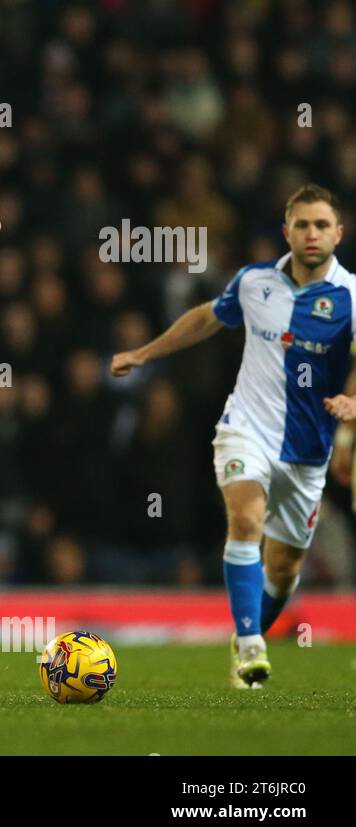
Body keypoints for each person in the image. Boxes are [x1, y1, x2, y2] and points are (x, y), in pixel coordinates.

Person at [111, 184, 353, 689]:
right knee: (245, 517)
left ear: (338, 233)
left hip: (307, 451)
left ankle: (248, 631)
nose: (312, 234)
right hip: (247, 427)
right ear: (287, 232)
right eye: (303, 225)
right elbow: (206, 318)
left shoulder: (350, 297)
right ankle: (250, 645)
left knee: (283, 570)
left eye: (322, 225)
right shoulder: (254, 283)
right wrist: (144, 354)